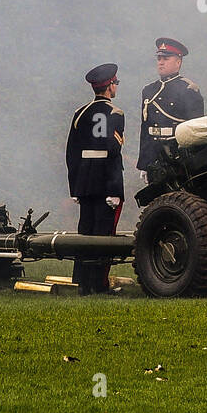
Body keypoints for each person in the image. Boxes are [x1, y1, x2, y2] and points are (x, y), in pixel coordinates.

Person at [65, 63, 125, 295]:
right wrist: (114, 189)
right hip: (105, 182)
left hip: (85, 182)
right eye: (116, 83)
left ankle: (82, 282)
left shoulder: (80, 113)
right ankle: (99, 283)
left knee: (85, 232)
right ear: (109, 87)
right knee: (103, 235)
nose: (116, 87)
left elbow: (71, 154)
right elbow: (112, 151)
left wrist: (75, 188)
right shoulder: (115, 113)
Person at [137, 37, 204, 181]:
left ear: (178, 62)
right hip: (154, 154)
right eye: (159, 58)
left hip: (178, 156)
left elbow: (196, 130)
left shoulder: (188, 89)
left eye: (166, 58)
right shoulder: (149, 90)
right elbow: (145, 128)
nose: (160, 62)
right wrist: (143, 163)